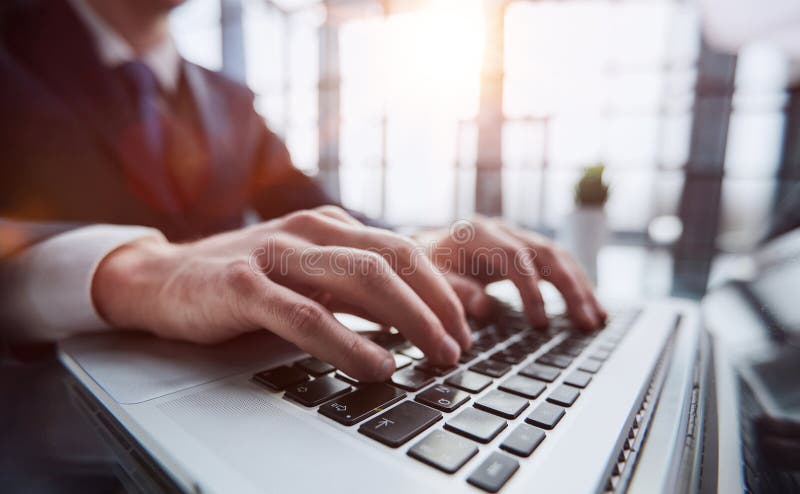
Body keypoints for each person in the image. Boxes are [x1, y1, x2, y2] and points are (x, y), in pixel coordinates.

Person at [0, 0, 605, 383]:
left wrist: (416, 248)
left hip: (231, 393)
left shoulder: (230, 102)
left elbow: (309, 211)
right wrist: (132, 273)